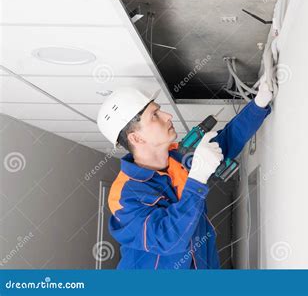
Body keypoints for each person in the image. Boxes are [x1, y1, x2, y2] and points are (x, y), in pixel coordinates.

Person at [96, 78, 273, 269]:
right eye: (155, 114)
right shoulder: (124, 195)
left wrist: (258, 104)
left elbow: (226, 141)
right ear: (136, 137)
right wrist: (196, 178)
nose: (168, 115)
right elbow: (166, 238)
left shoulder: (178, 158)